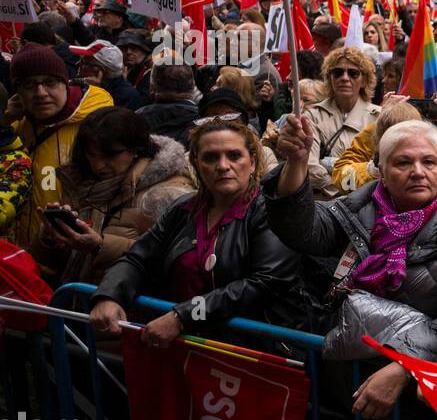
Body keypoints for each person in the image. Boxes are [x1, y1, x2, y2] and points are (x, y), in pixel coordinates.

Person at [266, 112, 437, 407]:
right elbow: (301, 230)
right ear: (381, 171)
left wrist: (405, 366)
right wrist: (296, 162)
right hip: (345, 373)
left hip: (412, 392)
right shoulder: (357, 208)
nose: (418, 171)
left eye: (429, 162)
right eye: (403, 162)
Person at [88, 119, 303, 347]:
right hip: (182, 346)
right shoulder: (183, 209)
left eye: (234, 156)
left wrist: (184, 316)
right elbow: (137, 258)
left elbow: (265, 283)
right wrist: (109, 295)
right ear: (197, 165)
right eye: (210, 157)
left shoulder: (270, 210)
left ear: (252, 162)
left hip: (249, 351)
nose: (222, 165)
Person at [37, 107, 191, 286]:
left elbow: (176, 263)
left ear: (136, 149)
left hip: (126, 307)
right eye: (91, 155)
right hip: (76, 300)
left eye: (109, 155)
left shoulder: (169, 194)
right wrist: (54, 237)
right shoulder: (83, 183)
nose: (98, 165)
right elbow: (52, 265)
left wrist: (100, 247)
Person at [5, 44, 115, 251]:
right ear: (17, 93)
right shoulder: (14, 126)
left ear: (65, 83)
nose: (40, 92)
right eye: (29, 85)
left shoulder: (96, 126)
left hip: (71, 257)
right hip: (19, 258)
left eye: (50, 82)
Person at [304, 47, 382, 196]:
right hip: (324, 204)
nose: (345, 78)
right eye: (338, 73)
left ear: (364, 80)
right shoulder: (312, 116)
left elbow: (378, 169)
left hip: (366, 203)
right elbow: (310, 166)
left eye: (353, 73)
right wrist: (342, 189)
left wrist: (329, 165)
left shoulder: (379, 117)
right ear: (329, 77)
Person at [70, 40, 144, 109]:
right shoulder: (83, 83)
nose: (77, 64)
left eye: (84, 62)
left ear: (101, 71)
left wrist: (95, 92)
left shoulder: (126, 97)